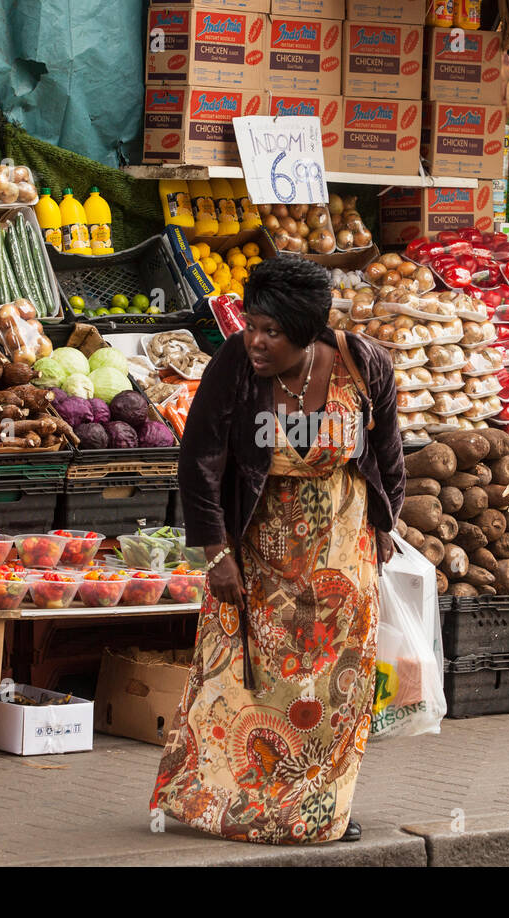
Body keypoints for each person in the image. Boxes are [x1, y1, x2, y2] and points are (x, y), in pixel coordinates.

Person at [150, 255, 406, 845]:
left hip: (344, 557)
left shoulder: (362, 363)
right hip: (258, 558)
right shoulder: (235, 367)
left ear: (308, 331)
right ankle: (236, 806)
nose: (257, 341)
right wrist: (216, 552)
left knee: (334, 692)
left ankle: (319, 807)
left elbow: (388, 450)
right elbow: (200, 461)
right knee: (248, 686)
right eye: (253, 325)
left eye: (273, 331)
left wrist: (386, 523)